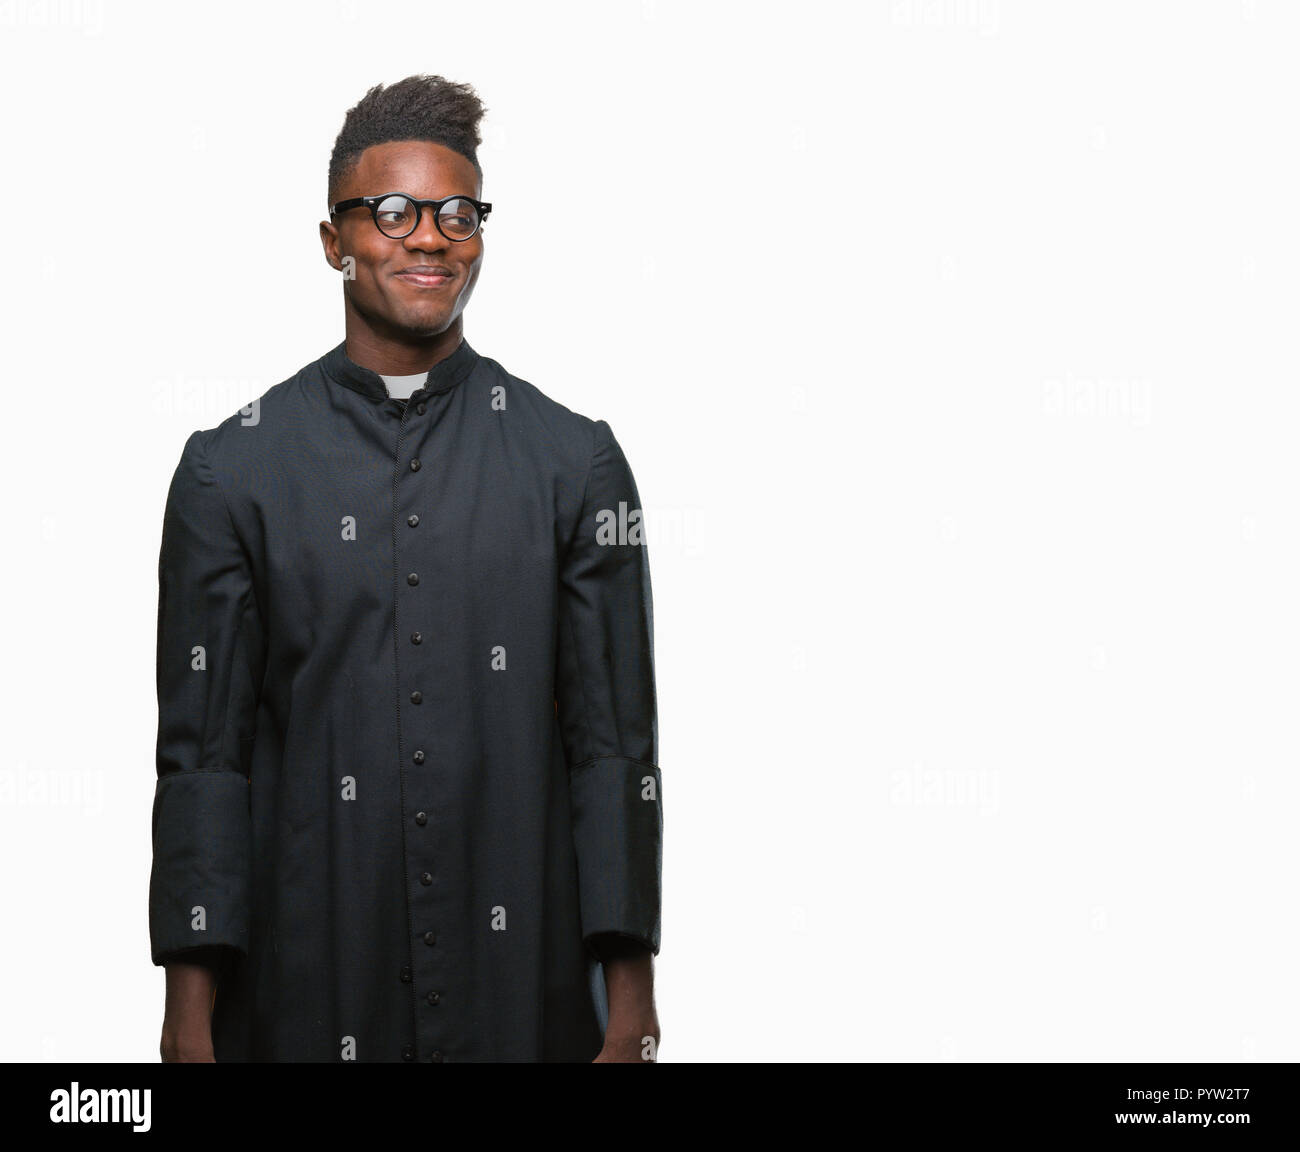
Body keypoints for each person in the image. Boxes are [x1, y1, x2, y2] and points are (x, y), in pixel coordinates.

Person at [150, 74, 662, 1063]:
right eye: (391, 212)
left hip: (522, 993)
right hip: (306, 983)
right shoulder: (230, 470)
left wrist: (629, 1004)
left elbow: (614, 752)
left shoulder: (575, 462)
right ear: (333, 242)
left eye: (457, 212)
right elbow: (205, 762)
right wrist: (188, 1018)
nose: (429, 237)